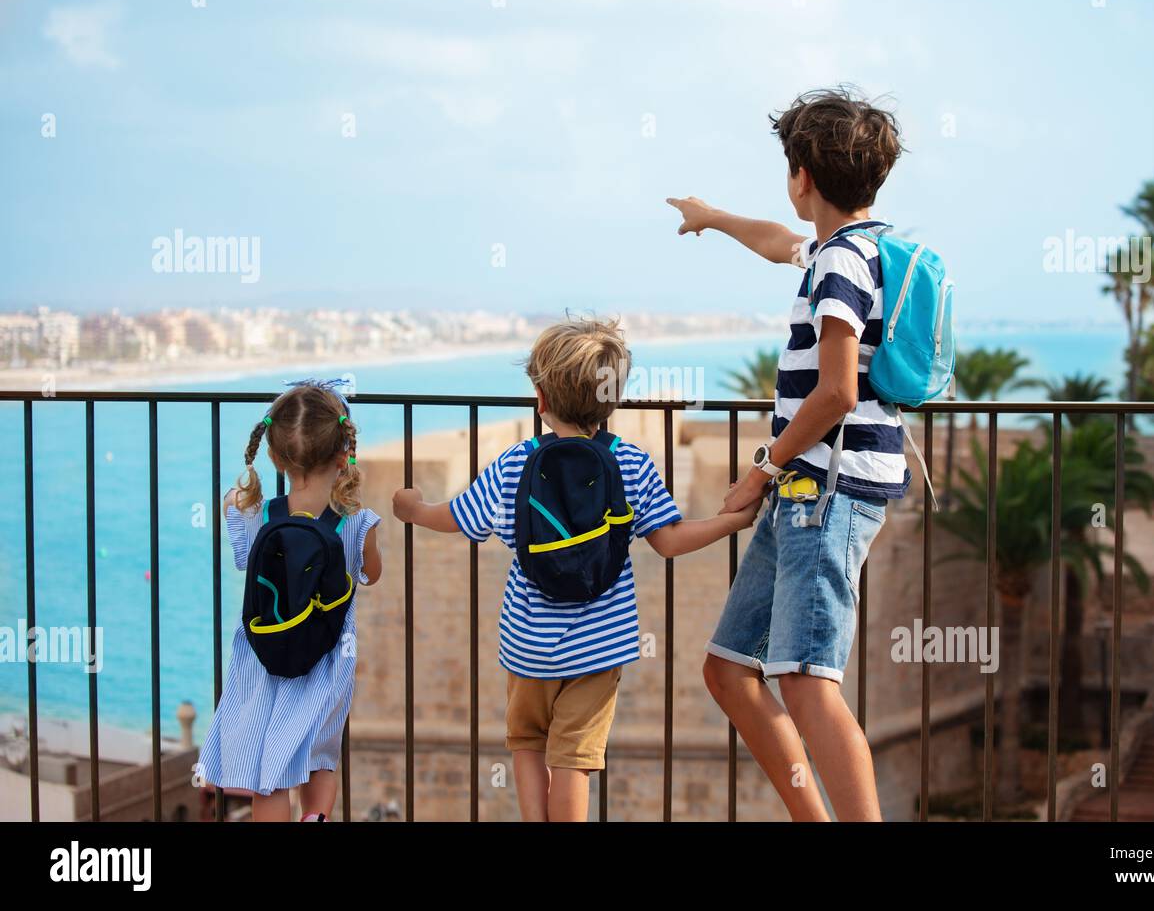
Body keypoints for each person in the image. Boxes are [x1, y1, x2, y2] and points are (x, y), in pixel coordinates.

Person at [393, 316, 759, 821]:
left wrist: (411, 507)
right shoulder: (629, 463)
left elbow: (456, 518)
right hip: (599, 646)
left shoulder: (515, 463)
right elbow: (669, 542)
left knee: (526, 743)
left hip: (526, 646)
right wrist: (728, 522)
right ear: (610, 401)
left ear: (541, 400)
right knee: (574, 760)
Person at [667, 86, 908, 821]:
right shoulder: (857, 249)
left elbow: (835, 393)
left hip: (825, 493)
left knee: (807, 683)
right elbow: (779, 241)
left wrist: (760, 470)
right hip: (807, 494)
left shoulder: (842, 266)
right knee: (731, 672)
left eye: (787, 165)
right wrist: (712, 218)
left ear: (803, 172)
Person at [197, 380, 382, 821]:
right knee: (320, 754)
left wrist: (236, 504)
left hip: (263, 658)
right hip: (326, 659)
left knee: (270, 772)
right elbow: (370, 575)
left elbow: (244, 557)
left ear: (276, 457)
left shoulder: (259, 515)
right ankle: (315, 817)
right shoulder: (359, 522)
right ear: (344, 455)